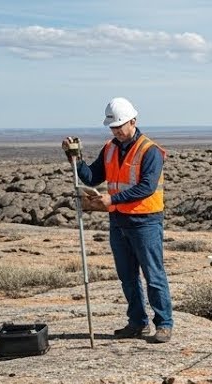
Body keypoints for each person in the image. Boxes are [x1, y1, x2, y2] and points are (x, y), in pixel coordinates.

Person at [62, 97, 173, 343]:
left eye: (119, 126)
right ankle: (137, 323)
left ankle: (164, 323)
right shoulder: (110, 148)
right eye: (112, 127)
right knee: (127, 276)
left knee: (153, 274)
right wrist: (76, 160)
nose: (116, 132)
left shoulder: (150, 150)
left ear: (133, 121)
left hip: (145, 221)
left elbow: (146, 187)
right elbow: (92, 177)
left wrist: (111, 200)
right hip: (119, 220)